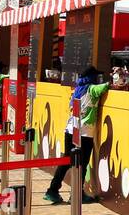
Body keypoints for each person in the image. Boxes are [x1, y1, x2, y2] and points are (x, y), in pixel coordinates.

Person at [42, 66, 110, 205]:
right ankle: (77, 195)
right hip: (84, 132)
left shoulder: (77, 91)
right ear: (92, 78)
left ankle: (52, 190)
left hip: (71, 130)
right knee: (82, 163)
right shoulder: (92, 89)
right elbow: (106, 87)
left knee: (67, 160)